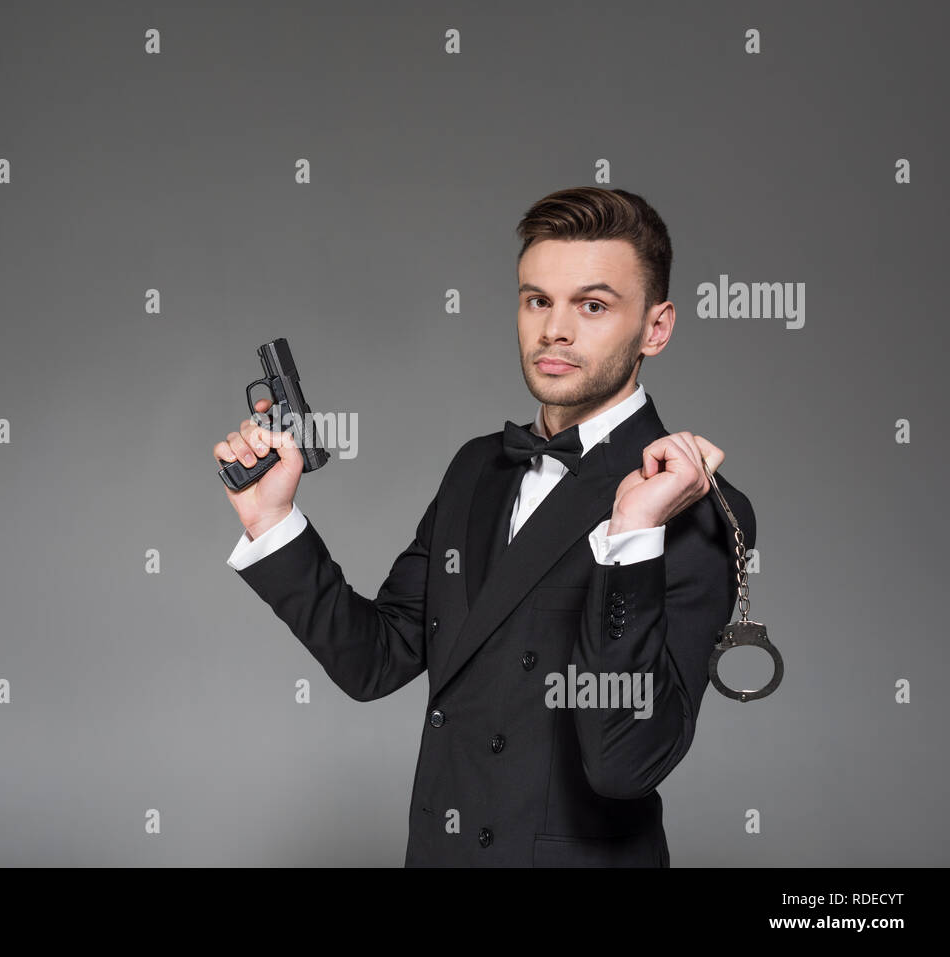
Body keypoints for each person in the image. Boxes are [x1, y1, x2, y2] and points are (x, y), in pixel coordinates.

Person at [212, 186, 756, 867]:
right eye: (537, 300)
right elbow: (375, 659)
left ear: (657, 326)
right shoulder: (477, 467)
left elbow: (625, 762)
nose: (554, 329)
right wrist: (274, 520)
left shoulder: (697, 508)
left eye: (592, 305)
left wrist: (635, 530)